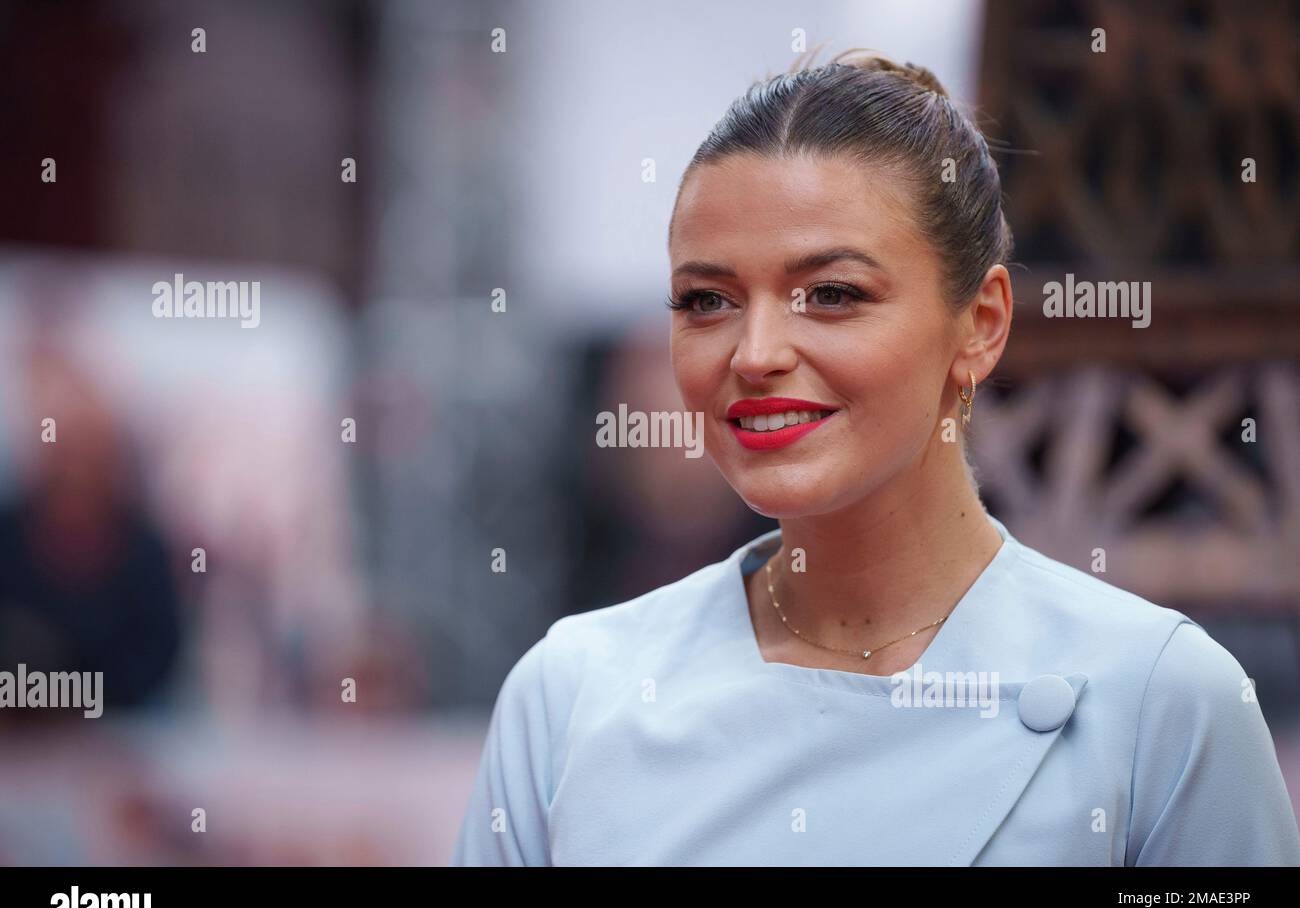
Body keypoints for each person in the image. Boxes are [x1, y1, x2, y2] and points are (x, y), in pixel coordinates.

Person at [450, 50, 1300, 865]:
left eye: (833, 294)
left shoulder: (1163, 702)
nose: (755, 353)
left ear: (983, 324)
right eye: (707, 300)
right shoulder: (571, 695)